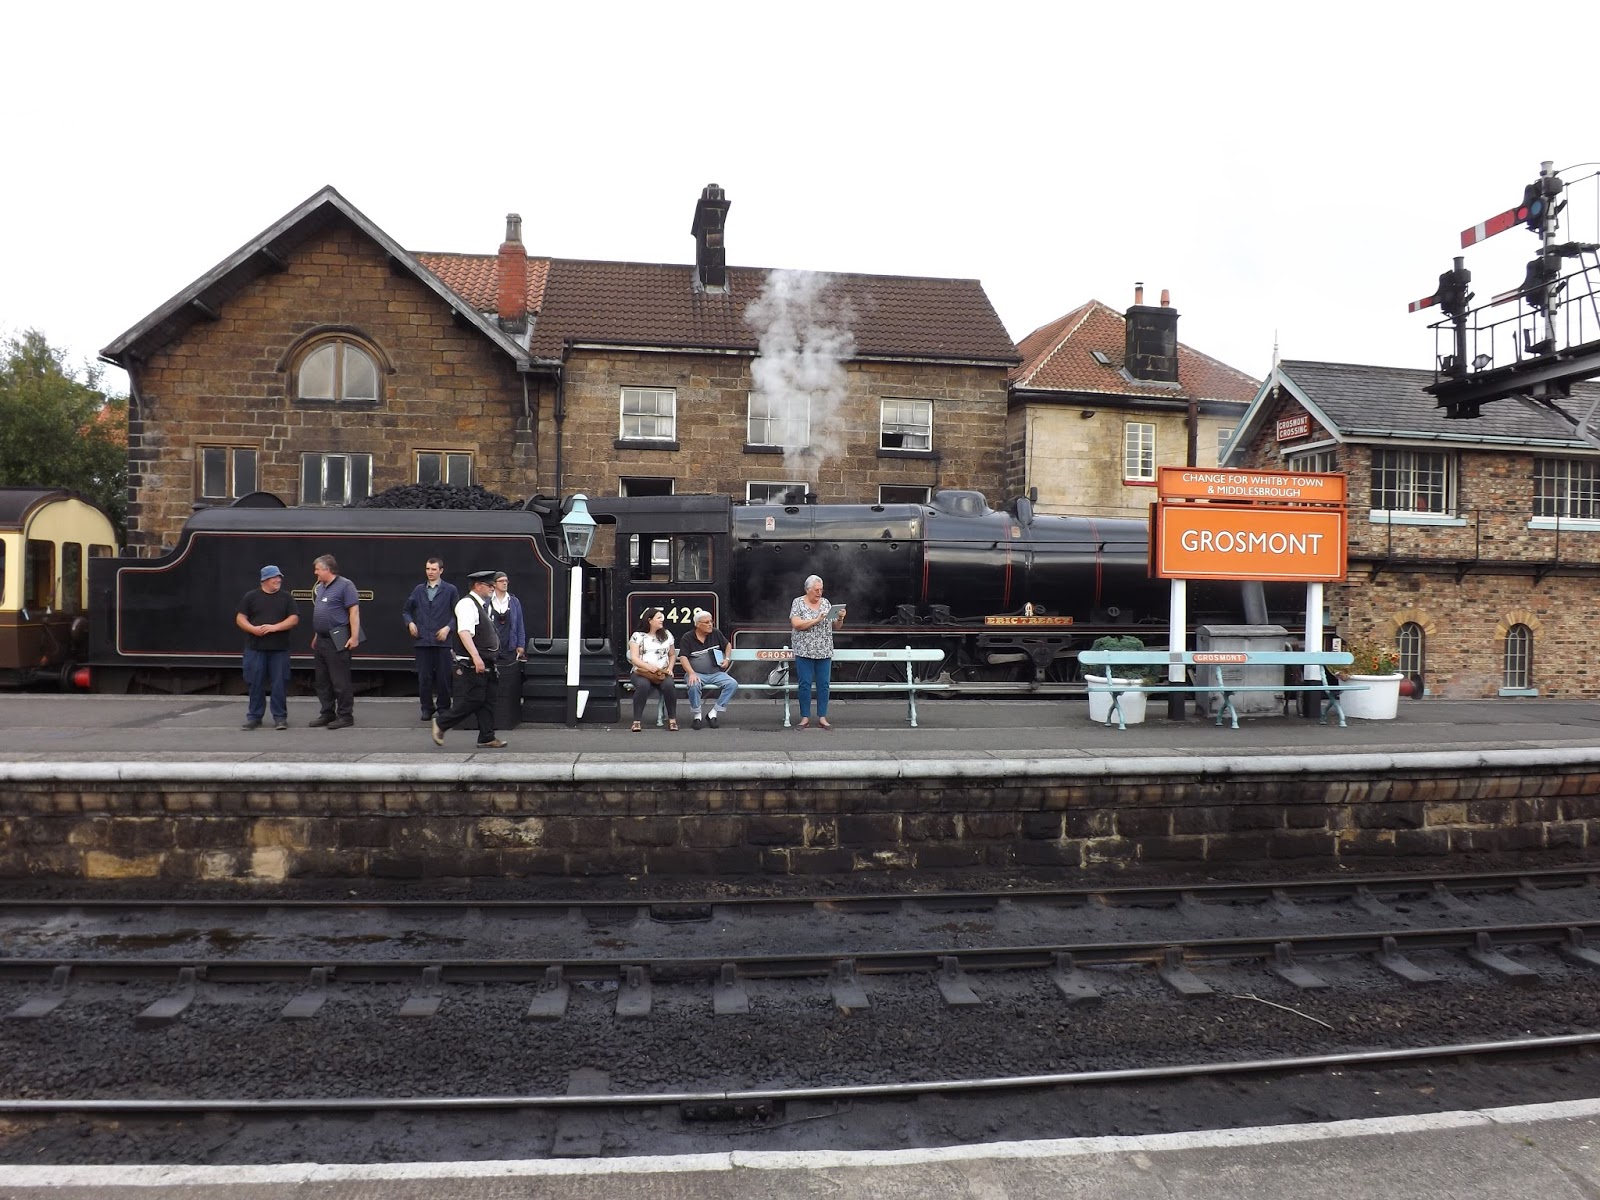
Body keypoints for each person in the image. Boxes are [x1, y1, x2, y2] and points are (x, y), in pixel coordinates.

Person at [431, 570, 507, 749]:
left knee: (488, 699)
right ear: (478, 586)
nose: (492, 588)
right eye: (489, 585)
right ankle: (441, 723)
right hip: (473, 662)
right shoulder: (467, 604)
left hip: (485, 661)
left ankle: (487, 737)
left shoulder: (480, 605)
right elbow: (464, 632)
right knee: (475, 698)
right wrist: (476, 657)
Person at [235, 564, 299, 731]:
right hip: (255, 648)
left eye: (279, 577)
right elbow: (240, 618)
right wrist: (253, 629)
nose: (278, 580)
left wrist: (274, 627)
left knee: (279, 684)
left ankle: (280, 718)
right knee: (255, 683)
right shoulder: (251, 597)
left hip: (279, 649)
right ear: (264, 580)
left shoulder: (286, 598)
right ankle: (254, 717)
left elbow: (293, 619)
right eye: (274, 578)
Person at [403, 557, 458, 723]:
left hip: (442, 642)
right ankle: (427, 708)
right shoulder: (419, 590)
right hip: (422, 641)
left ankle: (443, 707)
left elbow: (458, 614)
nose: (430, 572)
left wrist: (448, 628)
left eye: (434, 569)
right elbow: (406, 610)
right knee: (424, 678)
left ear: (441, 570)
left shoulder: (450, 590)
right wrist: (410, 623)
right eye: (428, 569)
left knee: (443, 677)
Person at [309, 554, 361, 730]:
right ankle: (327, 713)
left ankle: (345, 715)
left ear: (327, 569)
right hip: (322, 639)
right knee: (322, 680)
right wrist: (317, 634)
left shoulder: (346, 585)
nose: (315, 572)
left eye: (317, 569)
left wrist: (354, 637)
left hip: (338, 637)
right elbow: (324, 613)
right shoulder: (322, 587)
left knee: (340, 680)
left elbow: (353, 612)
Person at [789, 573, 842, 730]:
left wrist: (840, 618)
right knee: (804, 684)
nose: (820, 593)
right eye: (816, 590)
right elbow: (796, 624)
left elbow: (836, 627)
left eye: (821, 590)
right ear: (808, 589)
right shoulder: (798, 603)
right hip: (804, 650)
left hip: (824, 650)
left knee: (823, 685)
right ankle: (805, 717)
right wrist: (816, 620)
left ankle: (822, 717)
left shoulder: (826, 603)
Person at [680, 608, 738, 729]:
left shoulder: (716, 633)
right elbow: (683, 657)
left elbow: (727, 645)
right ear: (697, 625)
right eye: (706, 622)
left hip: (715, 673)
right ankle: (697, 715)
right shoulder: (687, 637)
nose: (710, 624)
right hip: (696, 673)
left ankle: (713, 713)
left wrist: (727, 659)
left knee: (732, 684)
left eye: (711, 621)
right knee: (693, 684)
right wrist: (691, 673)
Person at [628, 607, 678, 732]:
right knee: (643, 686)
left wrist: (670, 668)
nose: (662, 620)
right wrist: (648, 667)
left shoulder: (667, 634)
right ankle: (636, 721)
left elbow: (672, 654)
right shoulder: (637, 636)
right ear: (650, 620)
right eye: (659, 617)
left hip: (661, 672)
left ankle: (672, 720)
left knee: (669, 685)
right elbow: (634, 658)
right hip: (641, 672)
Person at [488, 571, 527, 671]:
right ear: (494, 584)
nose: (504, 583)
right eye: (501, 581)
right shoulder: (487, 600)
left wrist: (521, 645)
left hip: (509, 645)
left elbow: (519, 625)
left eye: (506, 581)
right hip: (491, 645)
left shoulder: (514, 602)